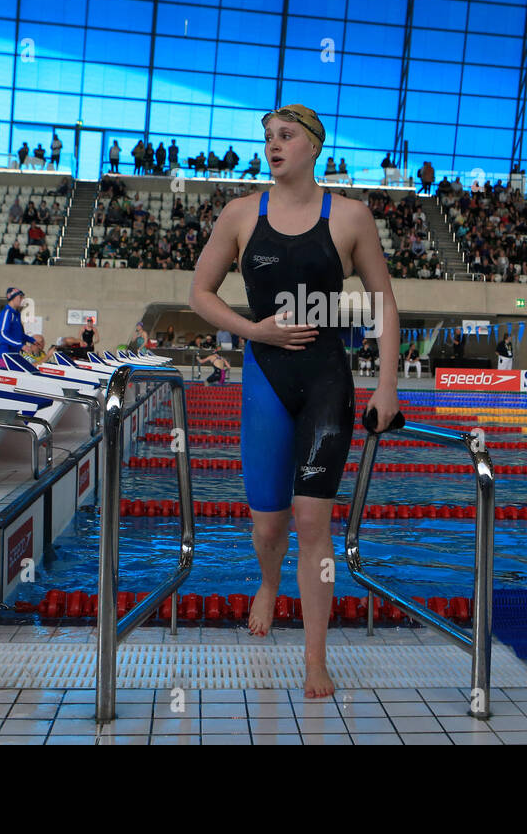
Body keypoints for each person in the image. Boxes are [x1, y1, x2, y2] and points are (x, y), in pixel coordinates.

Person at [187, 103, 399, 699]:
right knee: (267, 525)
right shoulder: (239, 214)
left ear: (313, 147)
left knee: (313, 522)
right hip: (265, 377)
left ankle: (314, 657)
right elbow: (200, 293)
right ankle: (267, 579)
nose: (273, 146)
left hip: (328, 380)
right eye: (268, 138)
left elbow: (384, 302)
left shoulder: (351, 217)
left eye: (286, 136)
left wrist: (387, 385)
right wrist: (254, 331)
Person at [0, 287, 34, 364]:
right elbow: (2, 334)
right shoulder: (7, 313)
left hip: (14, 355)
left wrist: (33, 340)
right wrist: (21, 345)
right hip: (5, 355)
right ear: (12, 298)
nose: (22, 299)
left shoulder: (16, 314)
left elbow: (19, 335)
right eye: (20, 297)